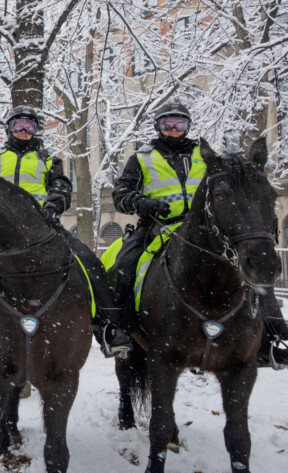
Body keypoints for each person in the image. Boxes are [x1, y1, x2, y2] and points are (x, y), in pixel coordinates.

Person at [0, 106, 132, 358]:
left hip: (43, 227)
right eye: (18, 125)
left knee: (89, 263)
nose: (24, 131)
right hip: (0, 233)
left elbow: (61, 187)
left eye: (30, 126)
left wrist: (53, 205)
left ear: (36, 130)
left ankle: (109, 329)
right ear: (8, 129)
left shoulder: (49, 159)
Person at [111, 102, 288, 368]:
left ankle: (272, 337)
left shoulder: (204, 156)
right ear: (158, 126)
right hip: (158, 225)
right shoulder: (142, 157)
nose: (173, 129)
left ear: (188, 126)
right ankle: (123, 329)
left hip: (205, 228)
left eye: (179, 124)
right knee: (125, 265)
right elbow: (121, 194)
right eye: (167, 124)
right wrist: (143, 203)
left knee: (253, 267)